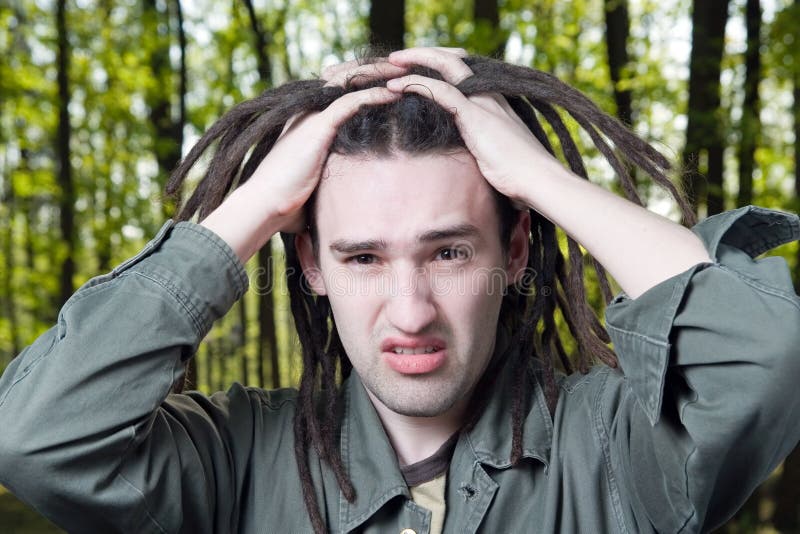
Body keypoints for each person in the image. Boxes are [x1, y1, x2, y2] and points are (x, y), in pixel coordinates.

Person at [0, 47, 798, 534]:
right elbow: (36, 438)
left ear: (518, 249)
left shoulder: (617, 451)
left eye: (449, 252)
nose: (411, 311)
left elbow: (769, 356)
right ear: (311, 264)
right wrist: (255, 204)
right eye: (362, 258)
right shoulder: (231, 460)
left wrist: (540, 178)